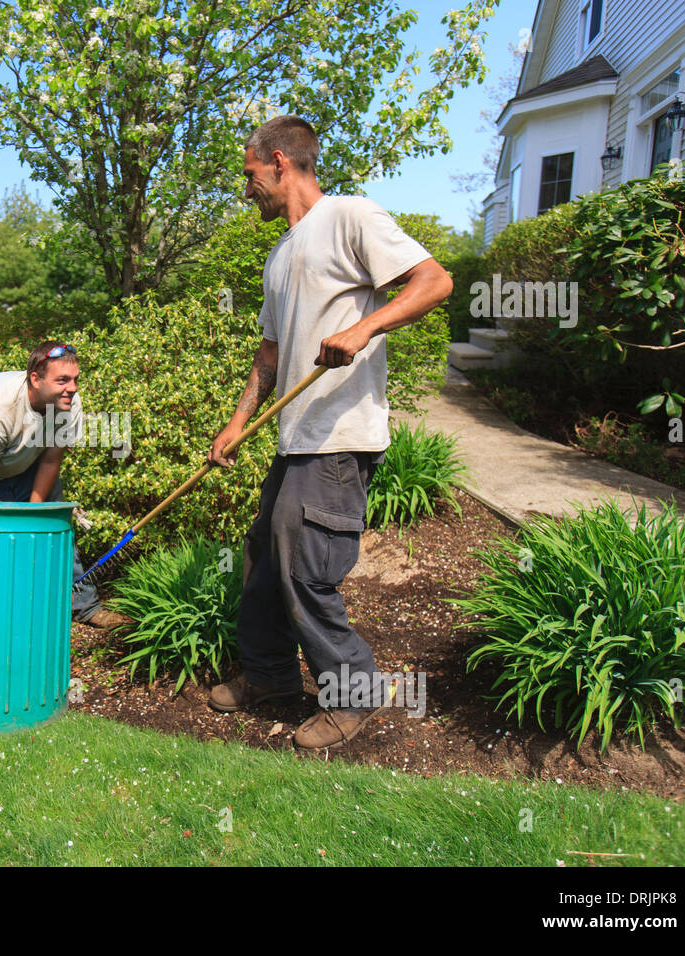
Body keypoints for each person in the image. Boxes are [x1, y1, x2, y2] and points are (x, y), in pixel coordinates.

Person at [205, 115, 453, 749]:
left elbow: (434, 281)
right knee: (263, 562)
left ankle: (355, 694)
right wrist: (237, 424)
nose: (247, 187)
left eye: (249, 174)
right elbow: (269, 354)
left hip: (340, 437)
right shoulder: (281, 253)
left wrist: (365, 328)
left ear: (280, 162)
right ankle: (269, 679)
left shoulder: (349, 216)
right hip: (295, 438)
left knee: (304, 569)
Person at [0, 341, 130, 629]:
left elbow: (51, 460)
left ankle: (83, 606)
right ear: (35, 379)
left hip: (29, 459)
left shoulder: (65, 403)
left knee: (54, 524)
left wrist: (35, 517)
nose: (73, 387)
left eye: (76, 379)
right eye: (63, 380)